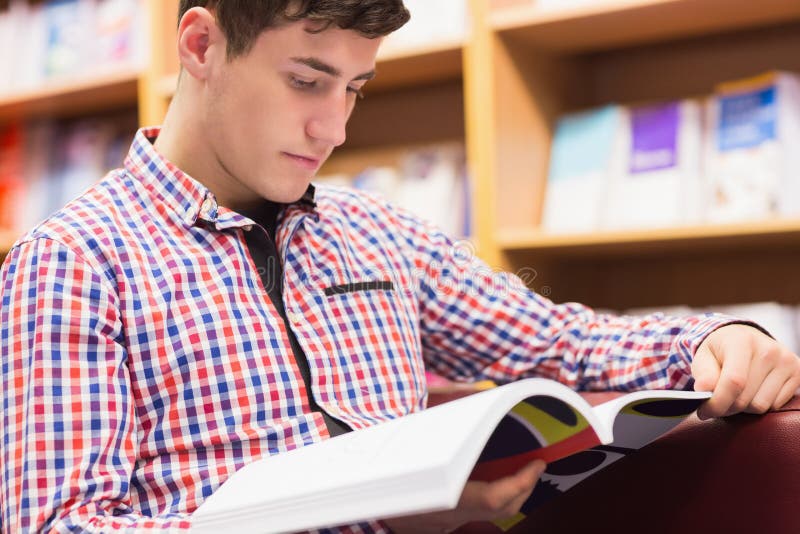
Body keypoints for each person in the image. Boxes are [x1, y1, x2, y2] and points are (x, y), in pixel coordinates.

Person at [1, 1, 799, 532]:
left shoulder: (378, 233)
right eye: (306, 80)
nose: (334, 127)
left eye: (356, 88)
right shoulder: (73, 263)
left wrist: (715, 343)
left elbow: (563, 343)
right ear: (202, 45)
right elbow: (60, 525)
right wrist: (376, 515)